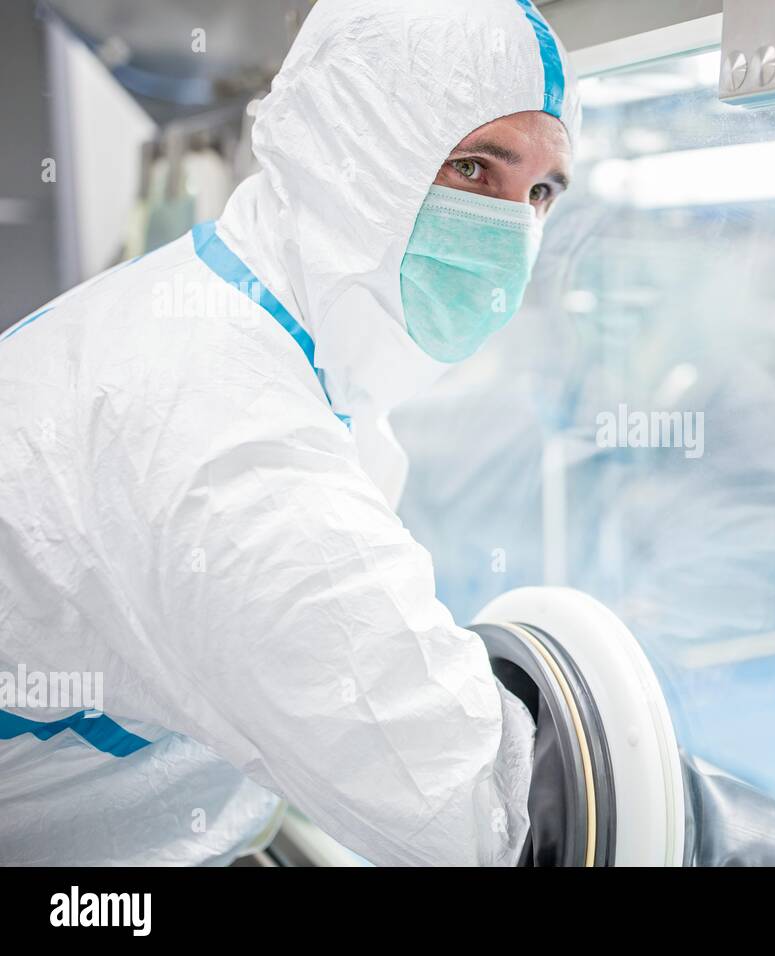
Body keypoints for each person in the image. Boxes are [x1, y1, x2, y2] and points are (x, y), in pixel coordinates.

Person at [0, 0, 580, 865]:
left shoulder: (258, 321)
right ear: (348, 148)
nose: (514, 227)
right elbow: (475, 814)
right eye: (472, 166)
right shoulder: (218, 420)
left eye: (540, 191)